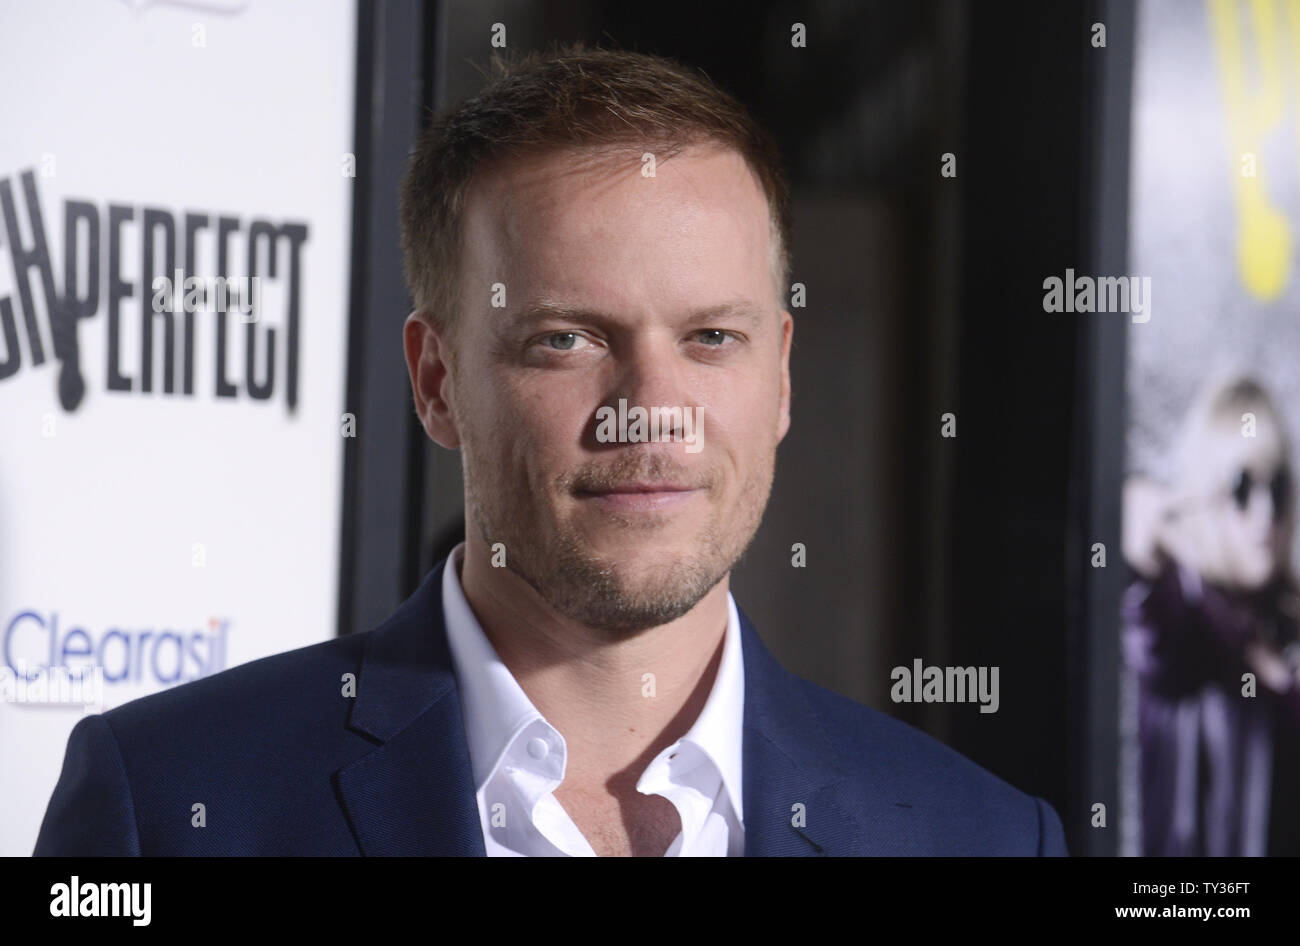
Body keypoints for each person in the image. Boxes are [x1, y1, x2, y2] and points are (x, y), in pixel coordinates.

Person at [34, 44, 1067, 856]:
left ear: (781, 375)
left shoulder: (976, 837)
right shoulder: (171, 803)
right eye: (566, 339)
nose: (654, 408)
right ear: (437, 380)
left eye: (712, 337)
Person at [1122, 377, 1300, 855]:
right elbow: (1153, 641)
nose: (1264, 513)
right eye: (1242, 486)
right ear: (1207, 493)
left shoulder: (1288, 625)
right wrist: (1151, 556)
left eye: (1278, 487)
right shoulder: (1182, 607)